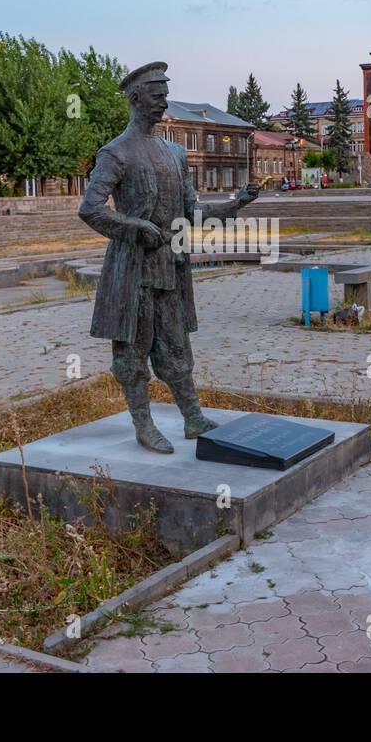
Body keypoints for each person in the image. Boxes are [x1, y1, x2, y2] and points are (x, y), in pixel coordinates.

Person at [79, 61, 260, 453]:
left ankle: (192, 417)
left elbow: (190, 210)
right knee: (133, 350)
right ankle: (143, 425)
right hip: (132, 272)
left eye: (165, 93)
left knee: (176, 346)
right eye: (157, 94)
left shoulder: (176, 154)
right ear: (136, 98)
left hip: (170, 267)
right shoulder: (116, 153)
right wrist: (136, 227)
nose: (164, 101)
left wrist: (234, 205)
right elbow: (91, 208)